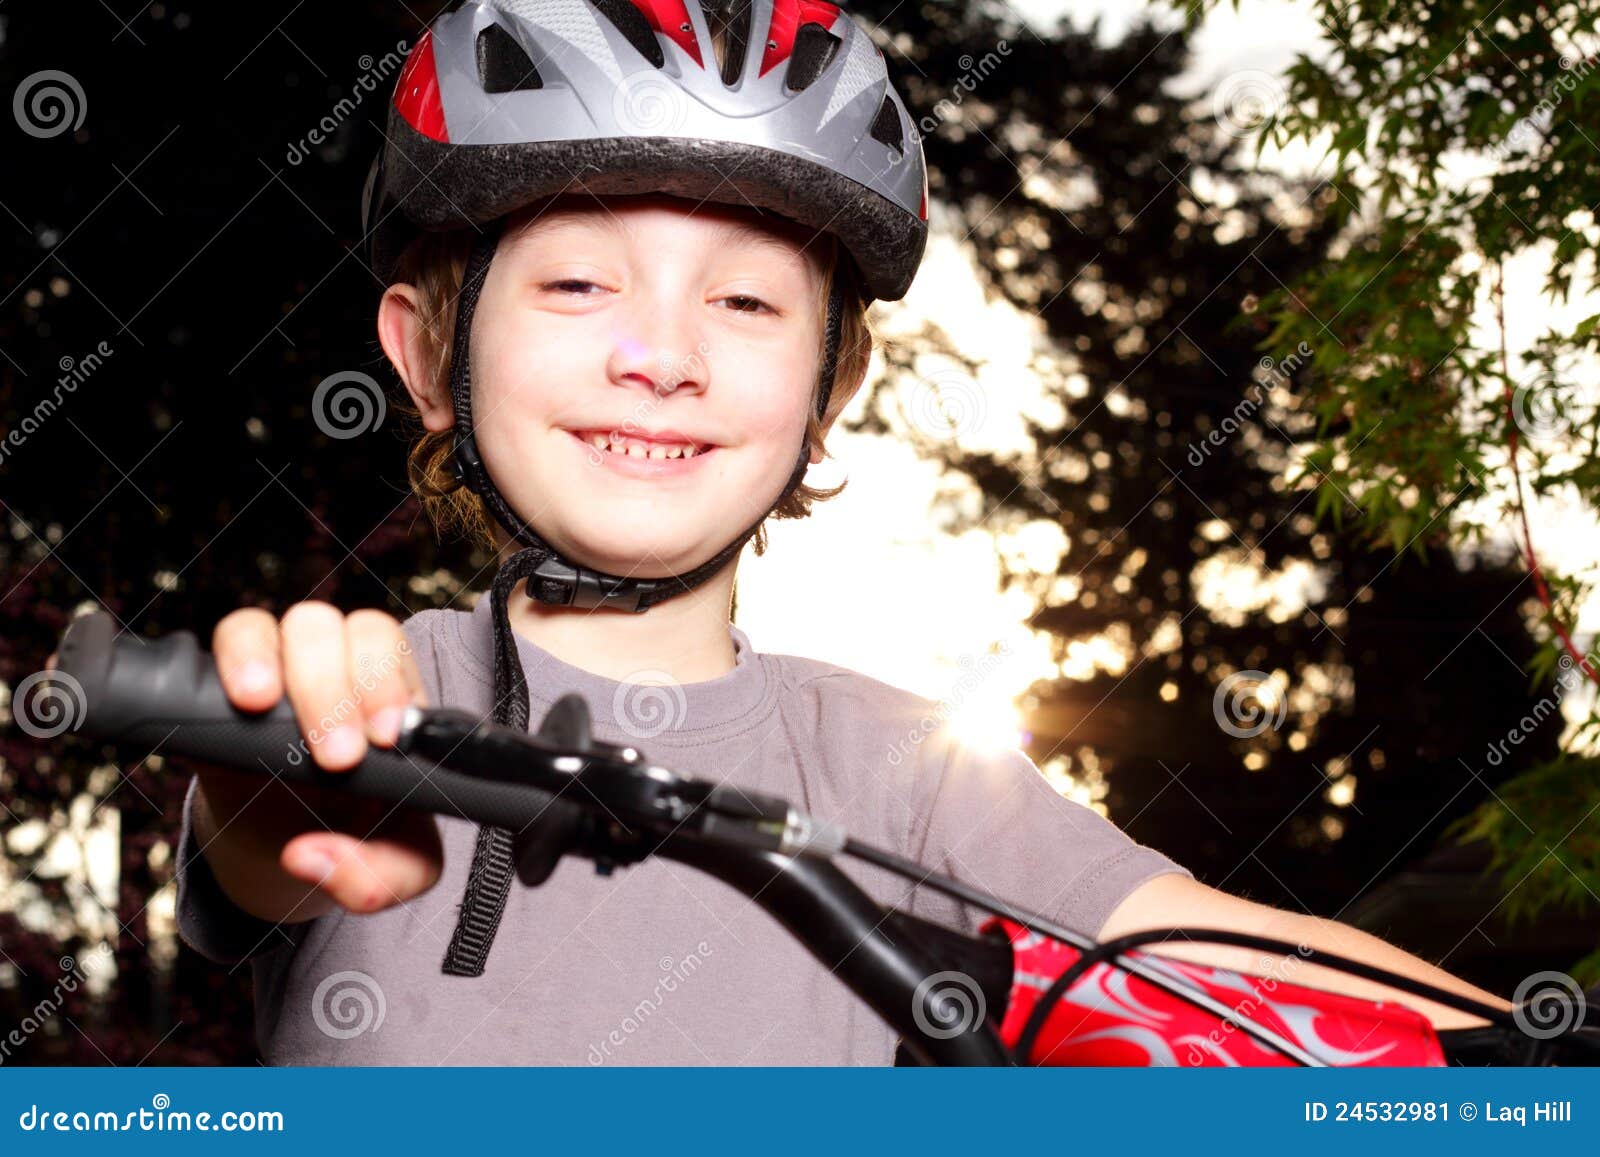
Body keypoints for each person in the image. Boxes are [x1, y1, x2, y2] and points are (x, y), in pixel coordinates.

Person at [174, 0, 1508, 1064]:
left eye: (748, 302)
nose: (661, 354)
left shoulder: (905, 771)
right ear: (425, 354)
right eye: (578, 281)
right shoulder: (383, 689)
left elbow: (1211, 947)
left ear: (831, 396)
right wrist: (284, 766)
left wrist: (1532, 1056)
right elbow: (263, 839)